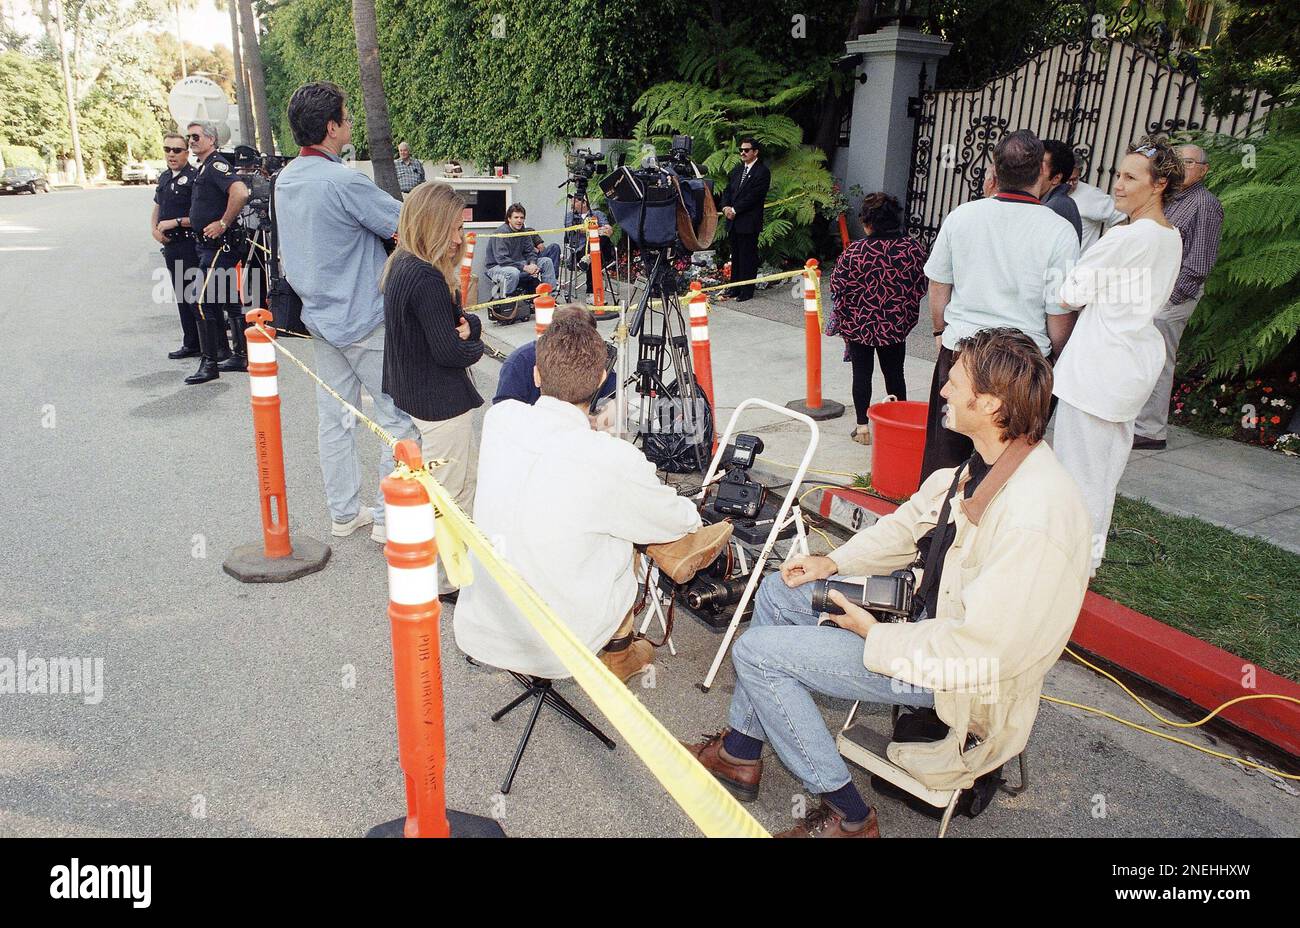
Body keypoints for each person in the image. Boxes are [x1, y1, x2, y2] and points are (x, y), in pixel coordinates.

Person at [684, 328, 1091, 838]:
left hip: (953, 673)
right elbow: (910, 524)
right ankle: (740, 753)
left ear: (989, 404)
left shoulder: (1035, 515)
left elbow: (981, 651)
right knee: (777, 588)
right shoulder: (988, 465)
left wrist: (874, 636)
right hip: (924, 624)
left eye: (954, 381)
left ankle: (850, 818)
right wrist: (832, 564)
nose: (941, 390)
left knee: (758, 654)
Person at [455, 316, 727, 683]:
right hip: (558, 642)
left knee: (594, 510)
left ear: (536, 376)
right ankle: (619, 653)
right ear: (601, 381)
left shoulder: (500, 419)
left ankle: (656, 557)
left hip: (481, 620)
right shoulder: (609, 458)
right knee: (625, 526)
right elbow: (679, 518)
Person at [274, 80, 417, 545]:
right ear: (331, 128)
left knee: (336, 420)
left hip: (318, 319)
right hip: (366, 318)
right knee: (397, 419)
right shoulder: (343, 181)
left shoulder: (287, 179)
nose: (351, 123)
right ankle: (385, 518)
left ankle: (343, 512)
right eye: (348, 117)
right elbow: (405, 223)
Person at [1052, 138, 1184, 573]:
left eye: (1130, 177)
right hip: (1130, 366)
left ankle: (1072, 561)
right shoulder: (1171, 236)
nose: (1119, 186)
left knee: (1077, 472)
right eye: (1118, 175)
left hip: (1097, 367)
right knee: (1102, 473)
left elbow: (1070, 292)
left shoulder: (1128, 236)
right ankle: (1087, 554)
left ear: (1159, 184)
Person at [920, 129, 1079, 480]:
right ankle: (993, 530)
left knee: (945, 457)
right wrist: (1054, 354)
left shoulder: (962, 216)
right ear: (1041, 172)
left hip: (962, 351)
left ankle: (936, 530)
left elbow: (938, 284)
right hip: (1020, 363)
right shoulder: (1059, 231)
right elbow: (1059, 311)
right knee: (1006, 464)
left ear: (994, 171)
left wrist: (938, 331)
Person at [381, 182, 484, 598]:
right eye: (455, 229)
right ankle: (451, 580)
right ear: (433, 225)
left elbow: (452, 326)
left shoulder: (401, 264)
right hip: (441, 401)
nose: (460, 238)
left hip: (417, 394)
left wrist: (468, 328)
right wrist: (473, 341)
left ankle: (464, 565)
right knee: (452, 492)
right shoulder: (426, 277)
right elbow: (451, 351)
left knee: (458, 482)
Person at [1133, 143, 1224, 450]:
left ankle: (1151, 430)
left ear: (1204, 169)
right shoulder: (1169, 198)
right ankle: (1138, 421)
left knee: (1159, 358)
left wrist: (1169, 299)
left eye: (1190, 162)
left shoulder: (1205, 204)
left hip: (1174, 297)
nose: (1183, 167)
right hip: (1152, 291)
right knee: (1144, 356)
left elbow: (1199, 263)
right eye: (1179, 161)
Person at [828, 192, 928, 445]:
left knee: (861, 375)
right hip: (895, 326)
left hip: (859, 326)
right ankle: (901, 424)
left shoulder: (857, 252)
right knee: (895, 374)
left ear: (868, 221)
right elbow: (921, 285)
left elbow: (838, 286)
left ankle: (862, 428)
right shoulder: (912, 249)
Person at [185, 120, 249, 384]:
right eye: (189, 137)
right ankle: (241, 355)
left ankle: (209, 362)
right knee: (229, 300)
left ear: (211, 139)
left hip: (218, 247)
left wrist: (223, 223)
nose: (191, 141)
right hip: (208, 246)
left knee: (199, 300)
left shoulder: (216, 166)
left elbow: (240, 191)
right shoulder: (204, 168)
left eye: (196, 136)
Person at [493, 304, 616, 406]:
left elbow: (612, 406)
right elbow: (504, 408)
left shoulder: (598, 359)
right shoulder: (521, 361)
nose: (575, 347)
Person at [152, 132, 200, 360]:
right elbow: (157, 206)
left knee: (195, 298)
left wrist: (175, 222)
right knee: (181, 296)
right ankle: (190, 342)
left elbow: (202, 216)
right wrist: (155, 230)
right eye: (167, 149)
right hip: (171, 247)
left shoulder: (194, 178)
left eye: (177, 150)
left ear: (187, 153)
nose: (171, 154)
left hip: (189, 245)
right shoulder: (164, 178)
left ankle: (206, 346)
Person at [719, 137, 770, 302]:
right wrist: (726, 207)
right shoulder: (737, 170)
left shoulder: (762, 172)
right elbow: (727, 190)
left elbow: (754, 196)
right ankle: (735, 288)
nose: (743, 153)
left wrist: (735, 209)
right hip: (734, 221)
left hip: (748, 221)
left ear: (755, 152)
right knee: (736, 255)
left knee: (748, 256)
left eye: (746, 150)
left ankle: (747, 291)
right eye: (741, 150)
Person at [484, 203, 557, 296]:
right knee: (513, 272)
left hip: (518, 263)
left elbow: (530, 251)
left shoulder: (523, 231)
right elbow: (502, 260)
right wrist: (526, 268)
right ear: (509, 219)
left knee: (546, 261)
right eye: (516, 217)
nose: (519, 220)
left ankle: (550, 297)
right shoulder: (501, 232)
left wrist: (533, 264)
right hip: (497, 266)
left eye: (522, 218)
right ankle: (505, 301)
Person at [563, 193, 615, 295]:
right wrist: (597, 230)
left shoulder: (598, 214)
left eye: (575, 201)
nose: (571, 203)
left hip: (602, 251)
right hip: (579, 251)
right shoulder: (570, 216)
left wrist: (593, 230)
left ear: (584, 203)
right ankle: (591, 293)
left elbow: (609, 230)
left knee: (602, 240)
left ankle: (589, 257)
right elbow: (576, 229)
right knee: (595, 256)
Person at [1068, 164, 1126, 252]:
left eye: (1075, 179)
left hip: (1079, 263)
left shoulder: (1091, 194)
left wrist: (1103, 249)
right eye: (1067, 180)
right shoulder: (1046, 190)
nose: (1071, 184)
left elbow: (1121, 219)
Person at [1041, 140, 1083, 243]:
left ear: (1056, 178)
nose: (1031, 171)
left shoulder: (1058, 205)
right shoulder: (1056, 201)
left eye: (1040, 167)